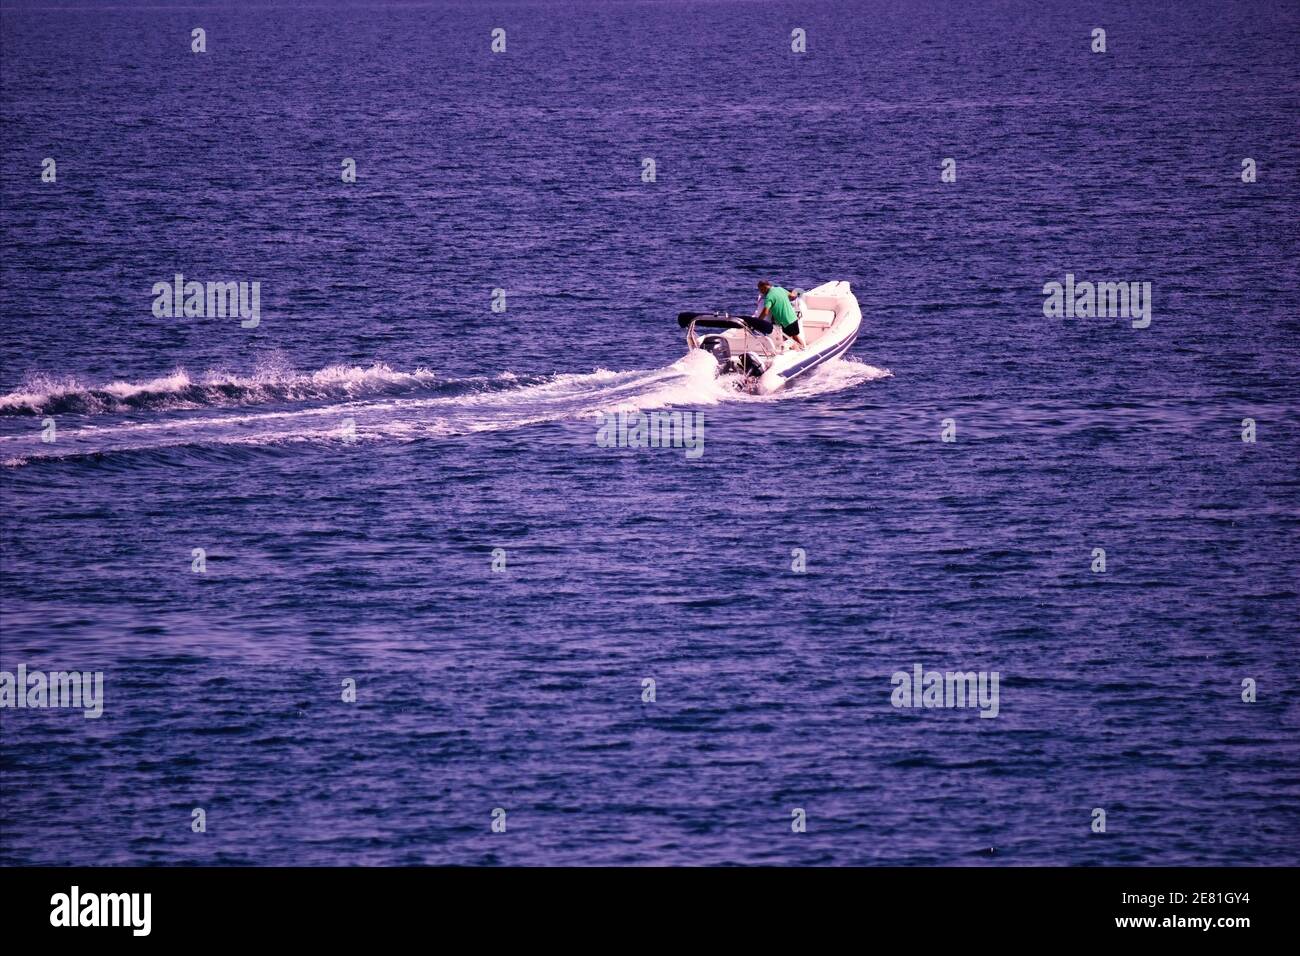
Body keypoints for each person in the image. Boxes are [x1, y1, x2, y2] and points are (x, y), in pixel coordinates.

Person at [754, 280, 806, 351]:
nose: (761, 292)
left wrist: (757, 321)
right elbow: (792, 296)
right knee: (794, 336)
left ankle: (800, 351)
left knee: (788, 339)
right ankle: (802, 349)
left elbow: (765, 312)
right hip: (793, 317)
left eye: (761, 290)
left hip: (785, 321)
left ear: (765, 287)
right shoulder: (780, 289)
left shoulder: (769, 297)